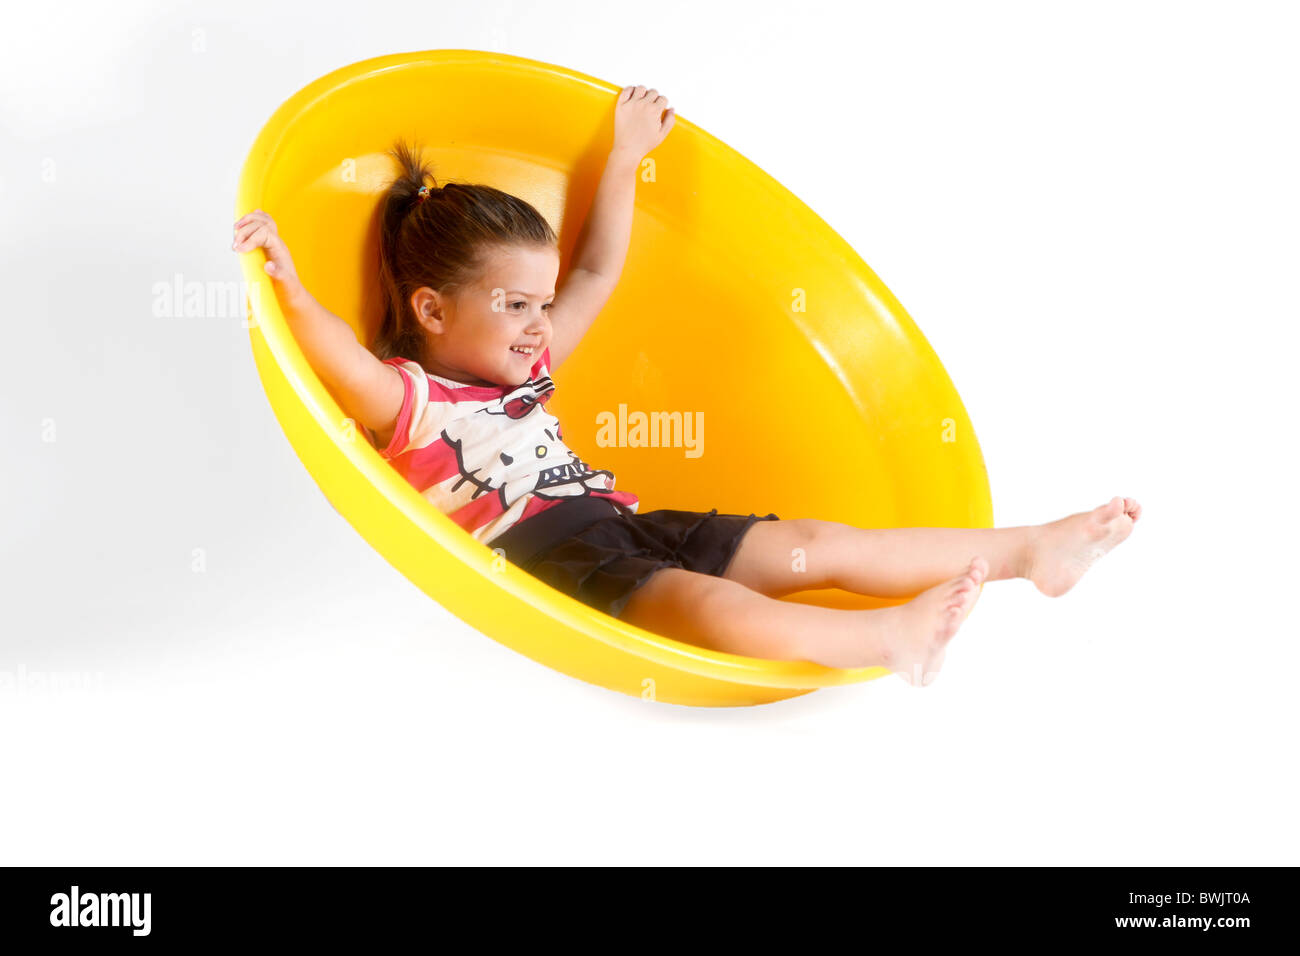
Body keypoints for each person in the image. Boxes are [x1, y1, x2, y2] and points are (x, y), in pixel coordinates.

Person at [232, 85, 1141, 687]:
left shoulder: (532, 362)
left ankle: (1031, 551)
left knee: (813, 542)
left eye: (536, 304)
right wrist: (287, 283)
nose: (540, 323)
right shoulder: (414, 400)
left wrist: (624, 158)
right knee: (706, 608)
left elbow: (593, 277)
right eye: (513, 304)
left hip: (625, 523)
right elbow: (339, 360)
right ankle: (886, 641)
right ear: (431, 312)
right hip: (556, 555)